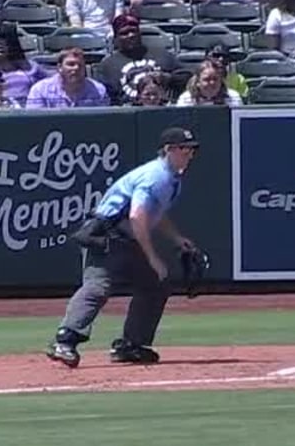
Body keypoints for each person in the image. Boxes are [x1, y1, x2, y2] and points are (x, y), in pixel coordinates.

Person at [45, 127, 202, 368]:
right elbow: (138, 216)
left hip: (127, 237)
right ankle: (65, 340)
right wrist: (152, 257)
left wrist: (175, 238)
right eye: (184, 148)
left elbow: (154, 213)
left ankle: (132, 345)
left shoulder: (171, 177)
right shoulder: (156, 176)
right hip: (106, 235)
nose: (190, 153)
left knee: (155, 286)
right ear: (168, 150)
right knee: (98, 287)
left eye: (192, 149)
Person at [26, 46, 108, 106]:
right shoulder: (40, 90)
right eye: (71, 64)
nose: (76, 68)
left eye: (80, 65)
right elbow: (35, 124)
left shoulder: (99, 91)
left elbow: (103, 123)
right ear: (59, 67)